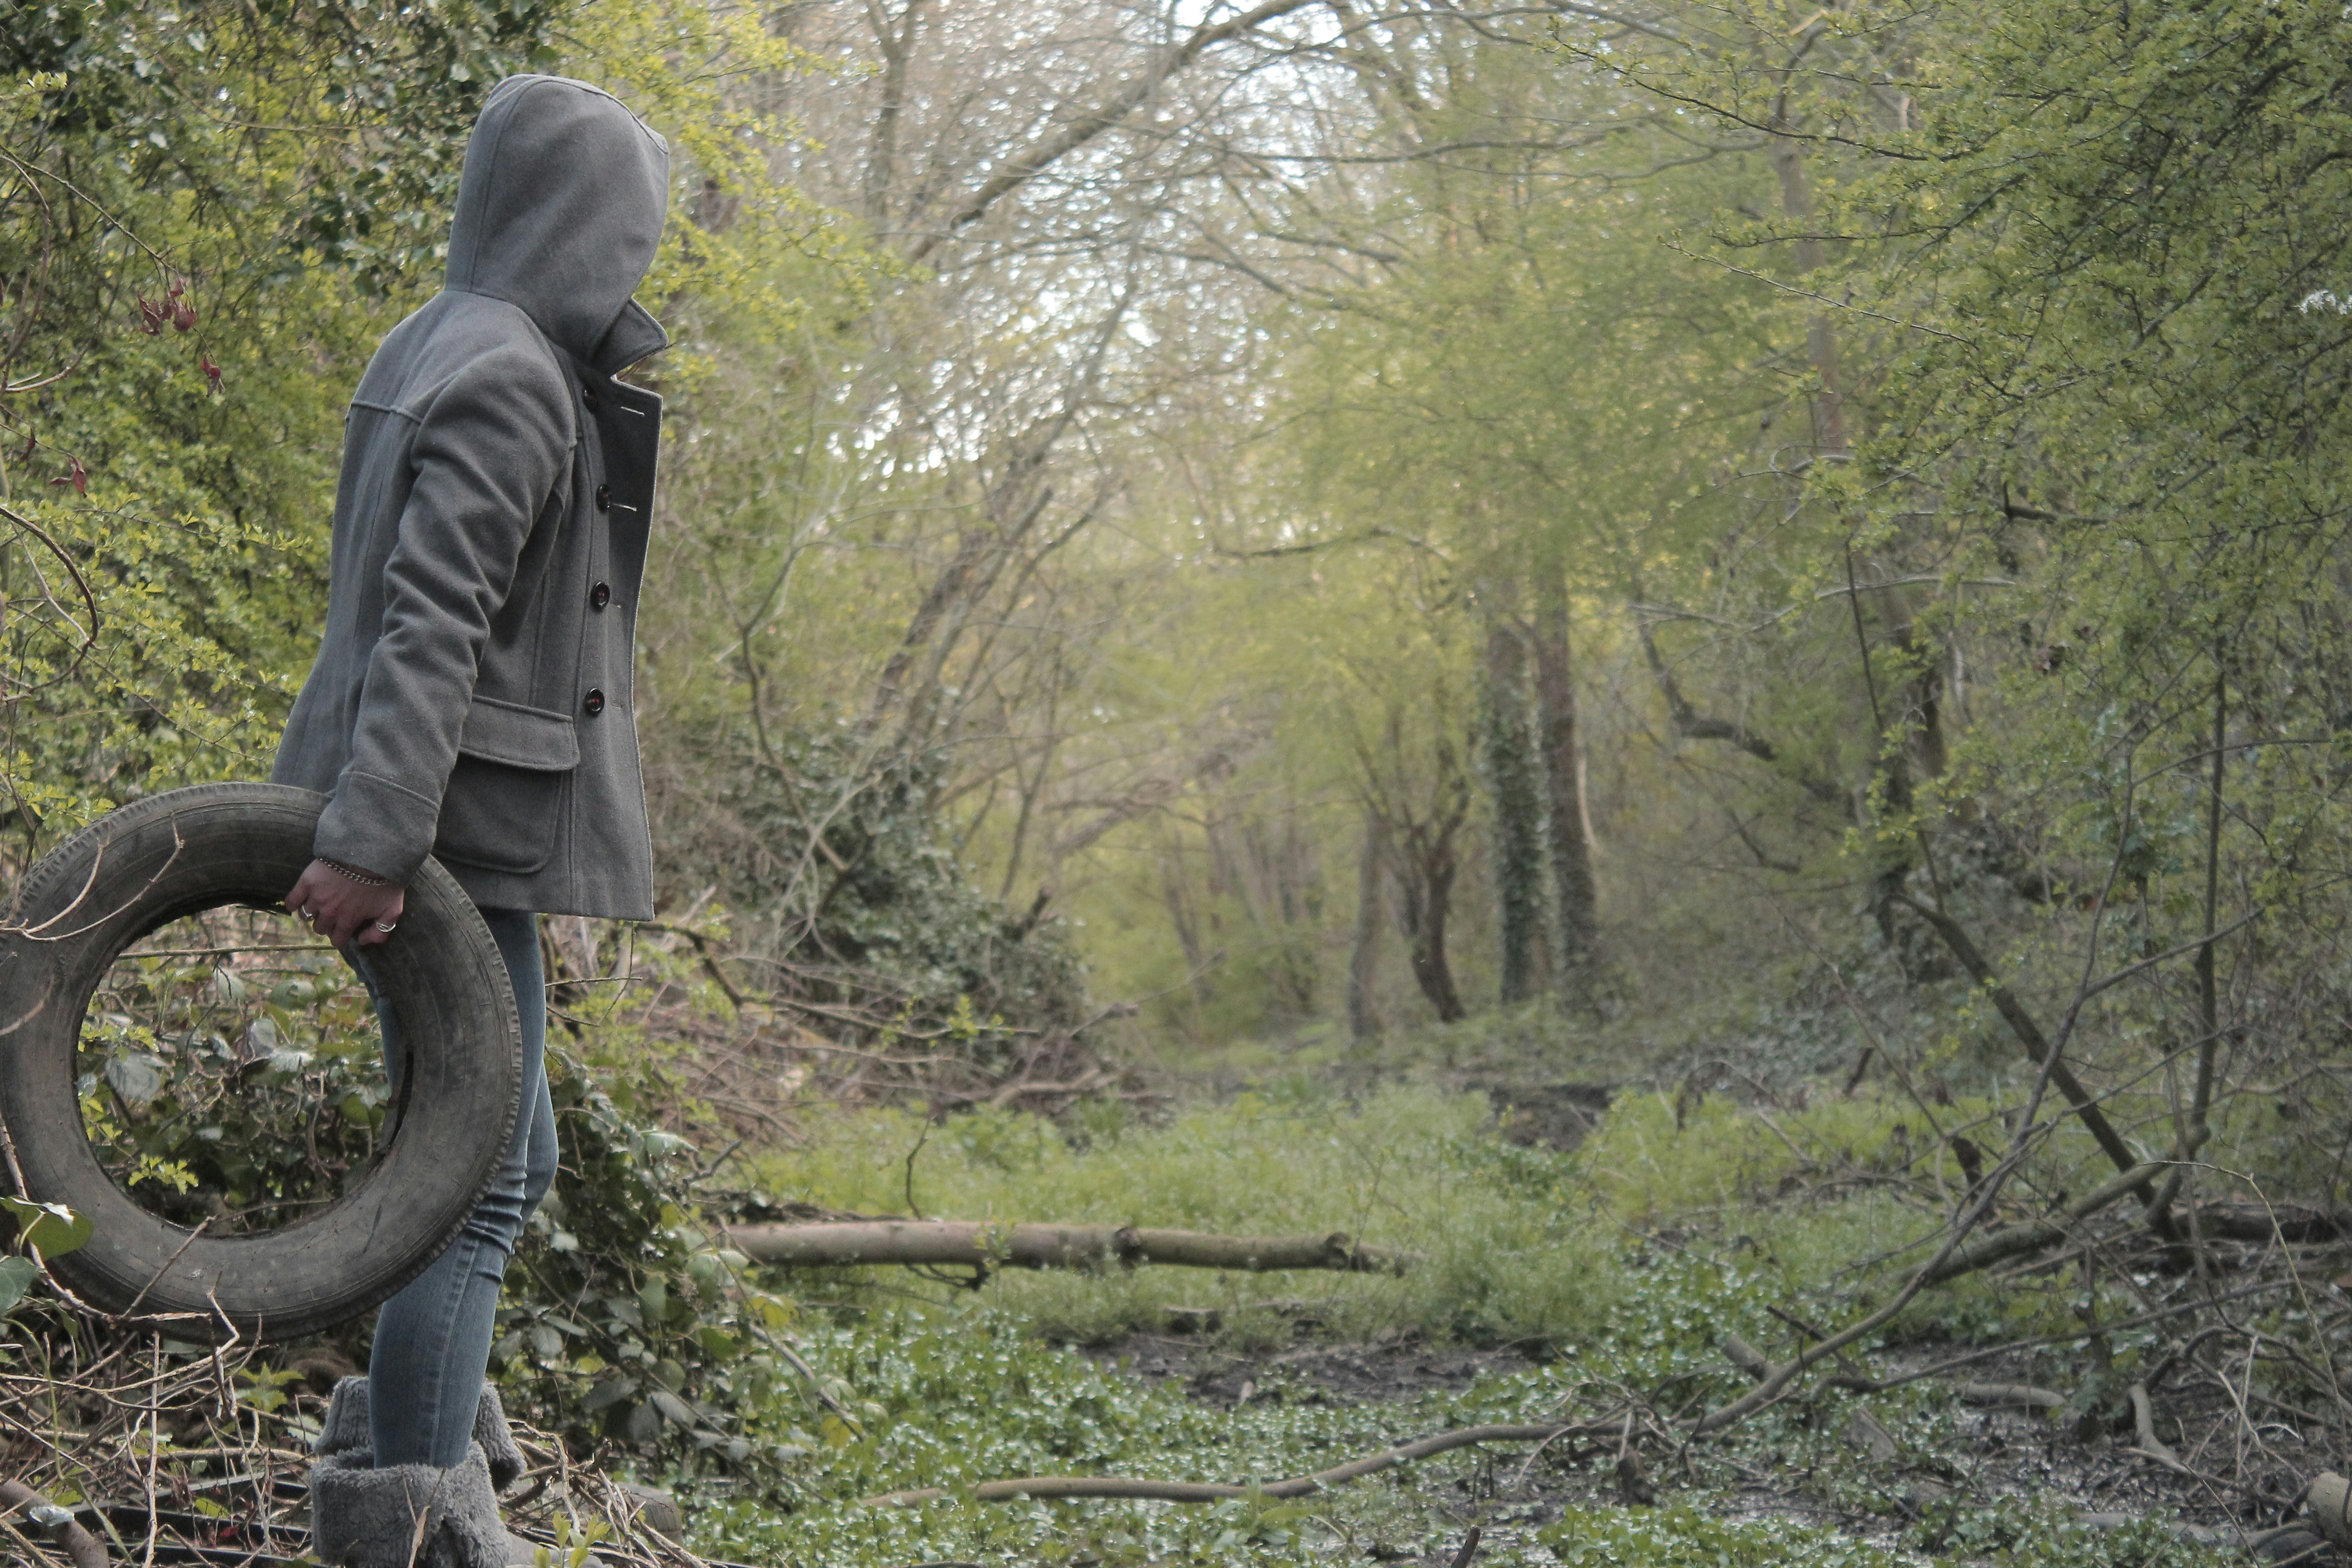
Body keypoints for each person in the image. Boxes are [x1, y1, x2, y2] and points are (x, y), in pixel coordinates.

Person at [270, 74, 671, 1568]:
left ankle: (404, 1437)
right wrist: (377, 840)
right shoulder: (508, 375)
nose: (636, 265)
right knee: (480, 1175)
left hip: (429, 813)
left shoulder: (438, 338)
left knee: (510, 1155)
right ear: (584, 224)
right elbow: (426, 622)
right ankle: (412, 1519)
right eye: (630, 230)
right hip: (440, 827)